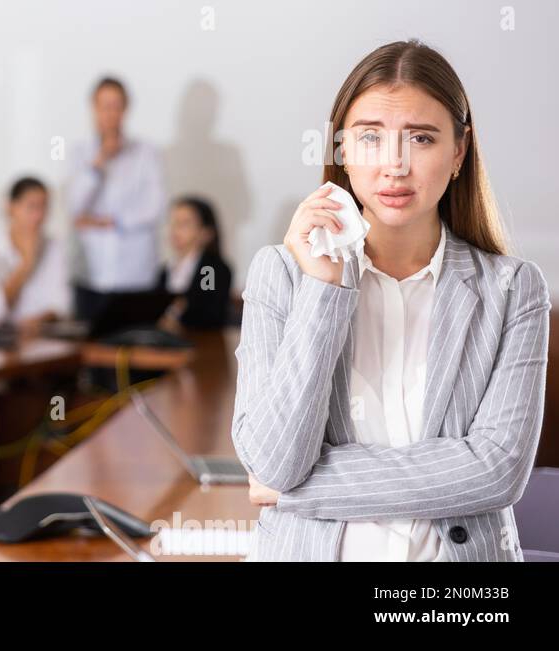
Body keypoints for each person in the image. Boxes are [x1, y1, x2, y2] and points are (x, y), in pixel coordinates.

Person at [234, 40, 549, 562]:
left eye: (421, 138)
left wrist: (301, 491)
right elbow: (276, 461)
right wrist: (325, 290)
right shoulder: (283, 276)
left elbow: (496, 471)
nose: (394, 166)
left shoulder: (513, 289)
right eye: (370, 139)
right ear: (342, 151)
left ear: (458, 152)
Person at [65, 76, 167, 320]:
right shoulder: (80, 153)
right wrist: (98, 163)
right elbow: (74, 207)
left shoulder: (146, 152)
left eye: (116, 106)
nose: (110, 114)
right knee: (93, 352)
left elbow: (156, 206)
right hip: (92, 275)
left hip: (136, 275)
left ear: (126, 108)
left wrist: (111, 222)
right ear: (94, 109)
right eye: (104, 106)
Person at [0, 176, 71, 334]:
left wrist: (40, 321)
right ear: (10, 208)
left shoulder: (54, 247)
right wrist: (25, 265)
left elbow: (61, 305)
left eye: (44, 207)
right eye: (31, 207)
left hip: (43, 335)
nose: (38, 216)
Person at [155, 196, 232, 331]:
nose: (175, 230)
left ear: (206, 233)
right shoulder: (165, 270)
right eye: (173, 223)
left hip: (201, 345)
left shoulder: (210, 269)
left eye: (184, 224)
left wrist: (179, 319)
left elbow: (209, 313)